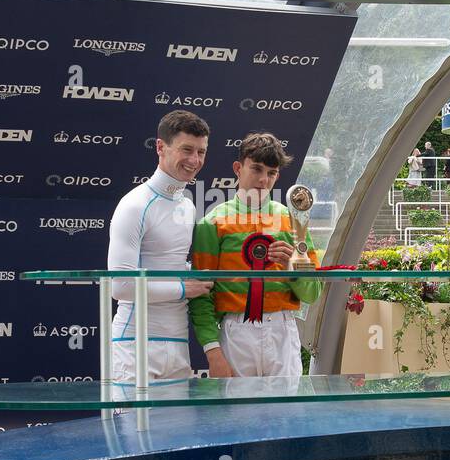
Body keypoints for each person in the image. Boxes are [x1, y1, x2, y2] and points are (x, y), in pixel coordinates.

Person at [190, 133, 321, 378]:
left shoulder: (293, 222)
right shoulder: (212, 223)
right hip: (235, 332)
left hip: (283, 329)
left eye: (271, 173)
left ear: (277, 176)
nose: (263, 180)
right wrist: (212, 351)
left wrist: (292, 267)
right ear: (238, 169)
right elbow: (201, 296)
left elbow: (312, 293)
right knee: (237, 416)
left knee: (285, 416)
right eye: (256, 169)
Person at [108, 111, 214, 385]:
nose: (195, 160)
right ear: (160, 147)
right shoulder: (135, 205)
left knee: (174, 430)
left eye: (201, 152)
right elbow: (120, 286)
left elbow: (170, 264)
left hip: (178, 344)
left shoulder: (187, 206)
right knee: (133, 430)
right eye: (187, 150)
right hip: (134, 344)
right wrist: (183, 288)